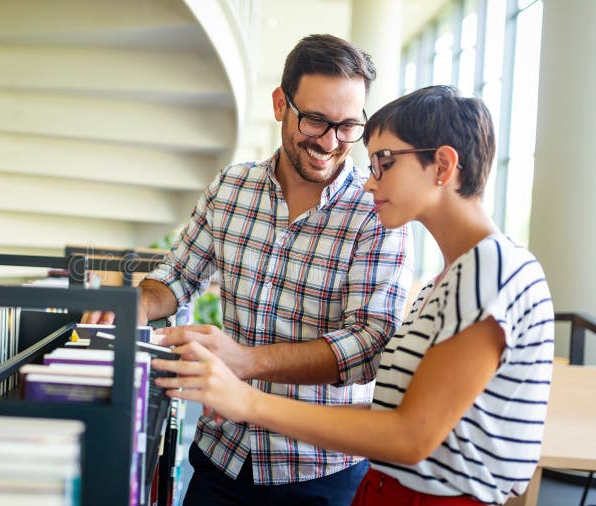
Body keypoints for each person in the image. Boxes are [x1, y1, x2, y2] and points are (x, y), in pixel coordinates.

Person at [153, 85, 555, 505]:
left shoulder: (490, 270)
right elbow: (390, 417)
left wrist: (250, 401)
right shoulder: (451, 279)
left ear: (442, 164)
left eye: (384, 163)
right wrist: (244, 404)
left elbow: (410, 437)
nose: (369, 183)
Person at [82, 34, 413, 505]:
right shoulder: (231, 188)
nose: (330, 142)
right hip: (222, 457)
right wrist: (138, 304)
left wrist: (248, 360)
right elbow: (177, 276)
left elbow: (370, 343)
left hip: (320, 472)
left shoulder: (376, 213)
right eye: (315, 120)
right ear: (280, 104)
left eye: (347, 126)